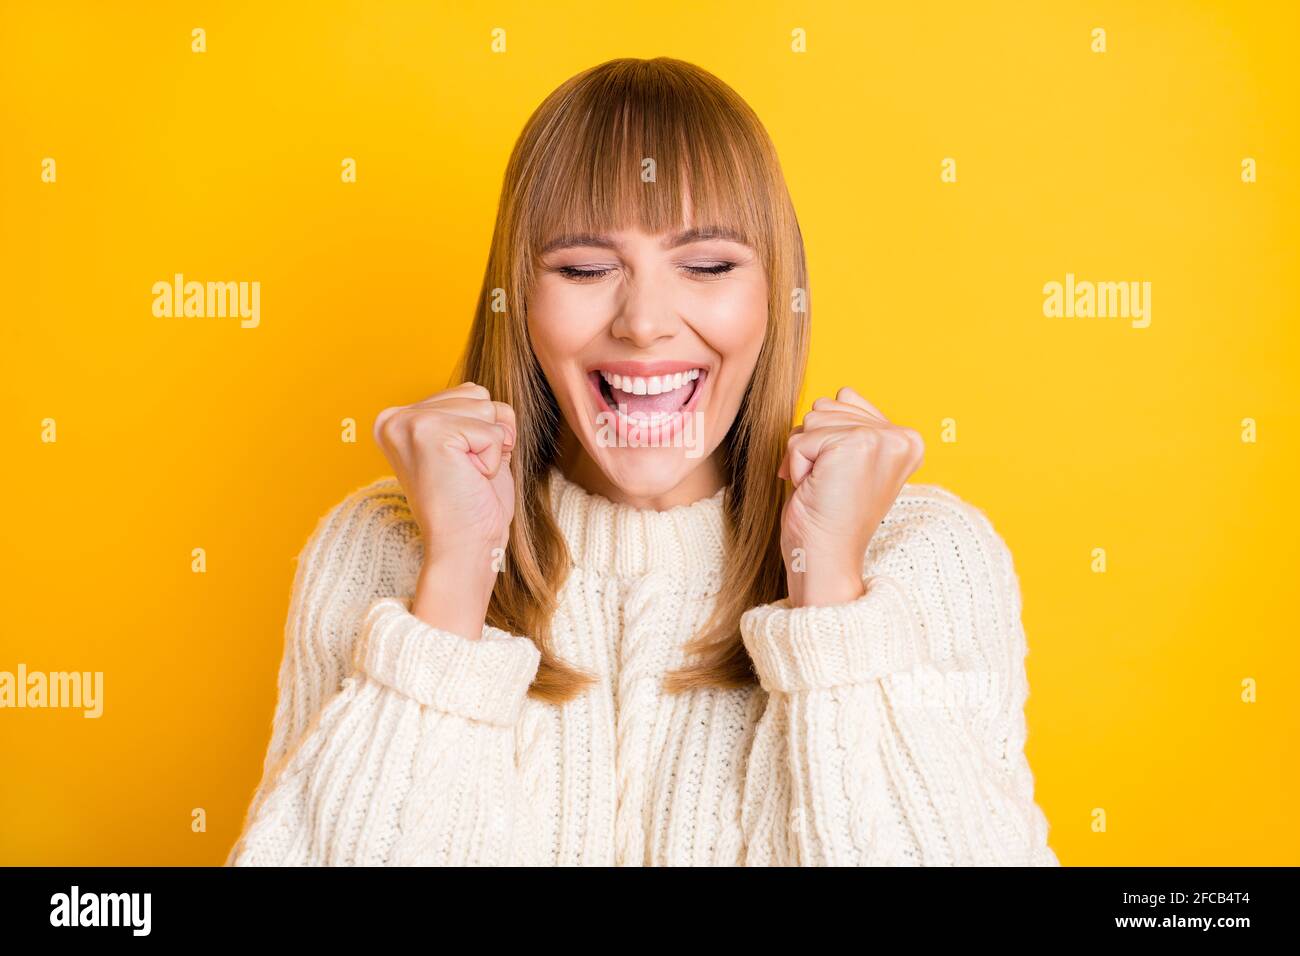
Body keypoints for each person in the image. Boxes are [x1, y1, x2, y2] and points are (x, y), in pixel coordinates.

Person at [225, 56, 1060, 866]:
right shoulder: (388, 548)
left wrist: (833, 601)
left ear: (775, 292)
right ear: (518, 298)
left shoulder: (917, 559)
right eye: (586, 268)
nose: (645, 322)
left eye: (706, 265)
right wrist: (455, 582)